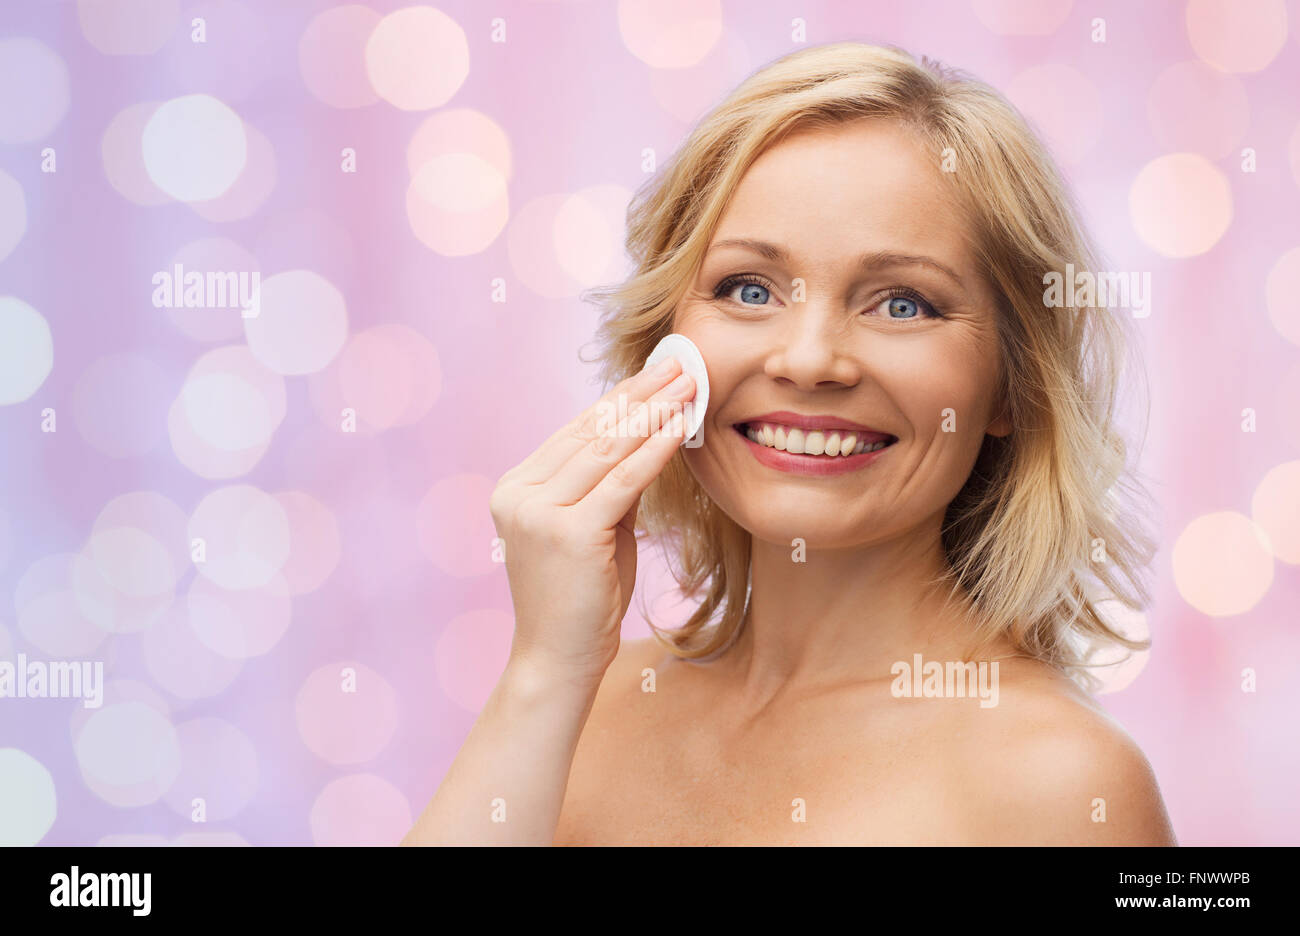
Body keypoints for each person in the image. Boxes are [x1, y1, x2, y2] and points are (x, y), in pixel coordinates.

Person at [404, 42, 1177, 846]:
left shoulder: (1060, 782)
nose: (808, 360)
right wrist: (545, 670)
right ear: (666, 342)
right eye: (748, 289)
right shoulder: (584, 706)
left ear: (1011, 386)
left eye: (903, 303)